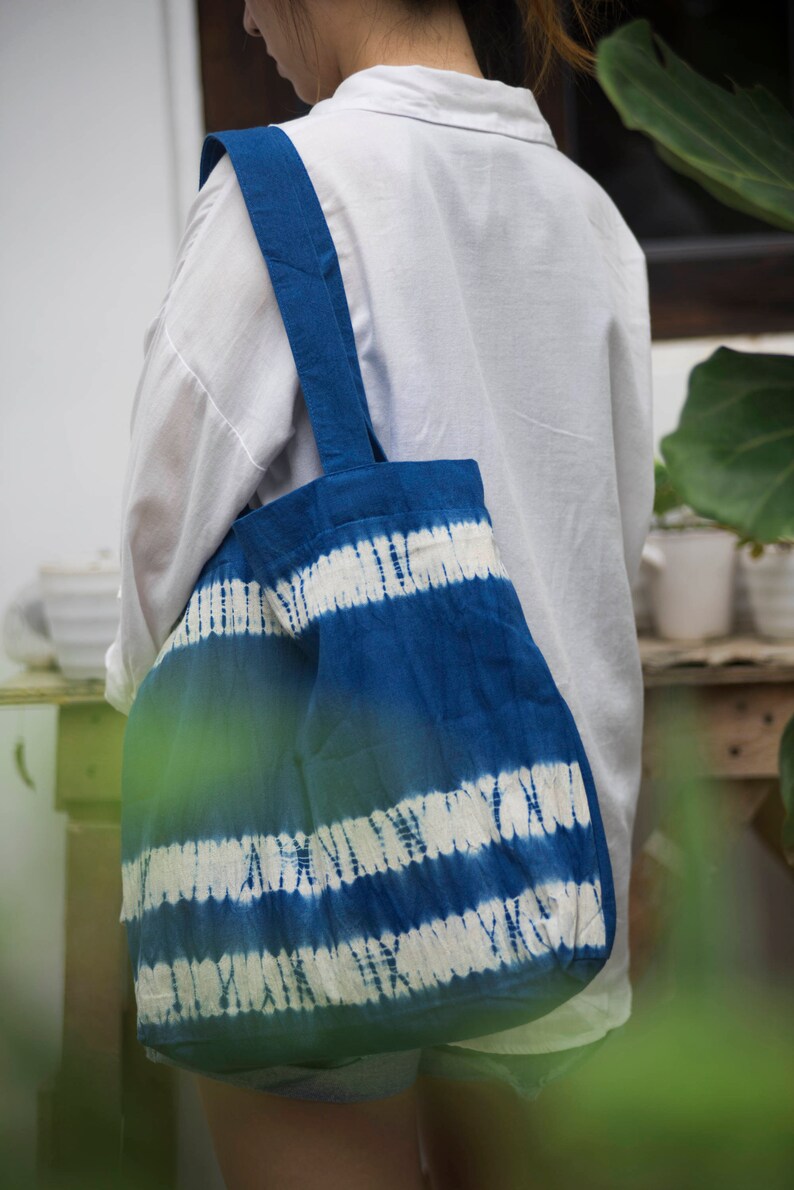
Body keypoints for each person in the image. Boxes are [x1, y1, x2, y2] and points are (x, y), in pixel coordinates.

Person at [104, 1, 655, 1187]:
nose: (247, 17)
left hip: (314, 848)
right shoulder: (586, 213)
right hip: (543, 853)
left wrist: (146, 703)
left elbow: (165, 532)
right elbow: (609, 527)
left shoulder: (287, 185)